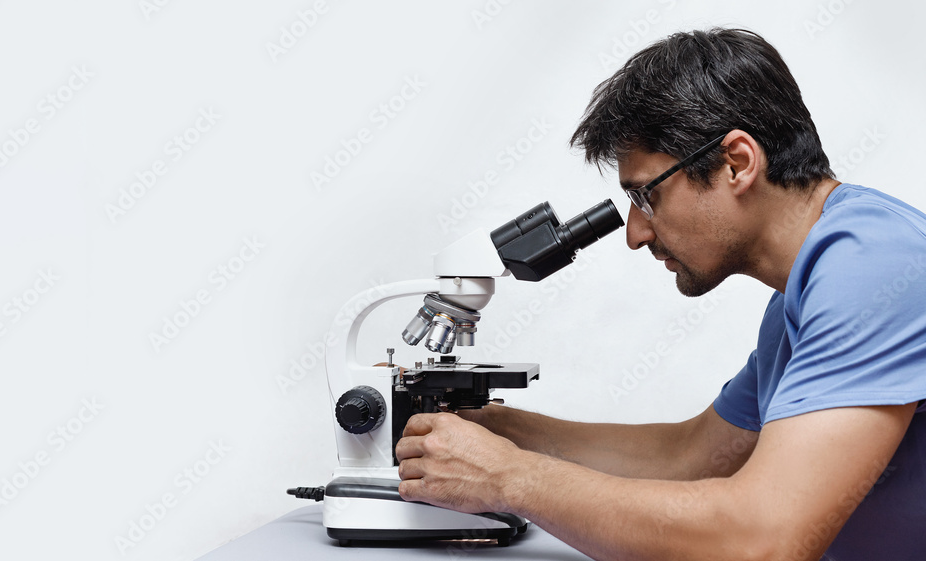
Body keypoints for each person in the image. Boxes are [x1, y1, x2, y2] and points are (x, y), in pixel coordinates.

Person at [394, 28, 926, 560]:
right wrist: (502, 431)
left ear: (737, 163)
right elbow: (693, 456)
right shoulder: (799, 296)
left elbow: (761, 540)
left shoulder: (872, 263)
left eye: (646, 196)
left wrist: (509, 479)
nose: (635, 234)